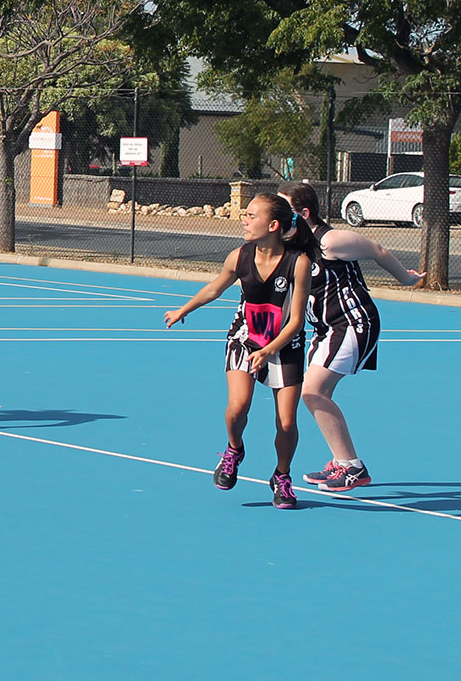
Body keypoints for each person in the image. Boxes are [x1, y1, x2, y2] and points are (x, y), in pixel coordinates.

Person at [164, 193, 312, 509]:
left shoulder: (298, 263)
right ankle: (234, 449)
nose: (244, 220)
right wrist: (184, 309)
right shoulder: (239, 256)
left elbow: (297, 321)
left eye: (251, 215)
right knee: (237, 408)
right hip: (244, 340)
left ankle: (282, 477)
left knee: (286, 422)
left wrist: (270, 349)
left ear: (273, 225)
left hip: (284, 346)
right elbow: (215, 287)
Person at [278, 181, 423, 492]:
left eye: (284, 209)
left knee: (312, 392)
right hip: (325, 329)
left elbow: (377, 250)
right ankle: (342, 462)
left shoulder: (330, 241)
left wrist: (406, 278)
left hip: (352, 323)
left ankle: (352, 467)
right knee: (317, 394)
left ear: (304, 213)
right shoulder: (292, 246)